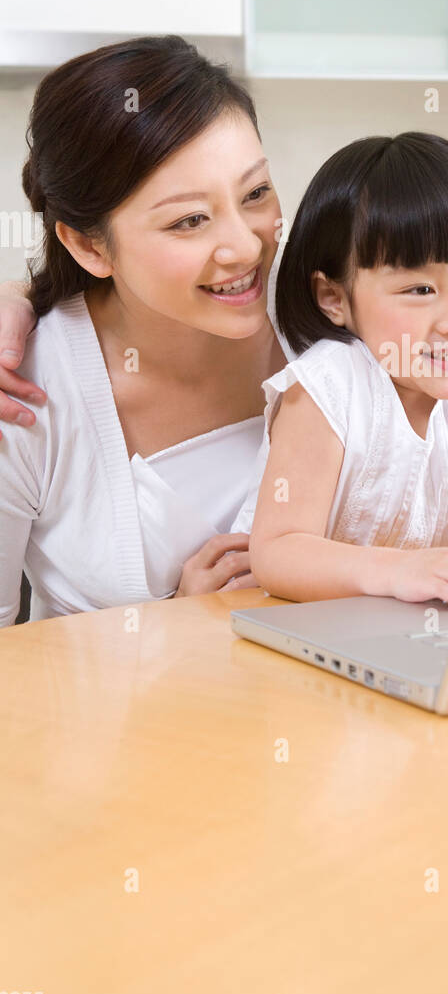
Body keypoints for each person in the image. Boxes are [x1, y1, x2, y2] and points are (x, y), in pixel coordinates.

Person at [0, 35, 287, 626]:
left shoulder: (336, 312)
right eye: (189, 221)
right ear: (88, 245)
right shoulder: (25, 400)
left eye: (255, 193)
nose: (245, 245)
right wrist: (178, 626)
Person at [233, 132, 448, 609]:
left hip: (417, 628)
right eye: (419, 290)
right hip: (299, 623)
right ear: (334, 298)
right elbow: (277, 552)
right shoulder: (329, 387)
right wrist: (402, 570)